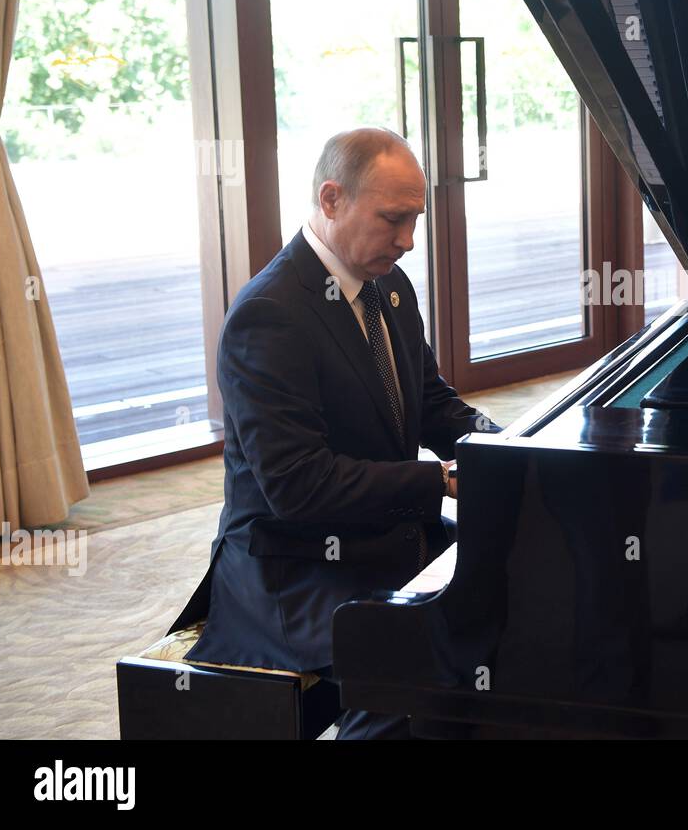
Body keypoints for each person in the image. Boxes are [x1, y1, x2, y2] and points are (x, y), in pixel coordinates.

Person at [169, 127, 499, 739]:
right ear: (330, 199)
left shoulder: (388, 287)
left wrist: (508, 448)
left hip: (379, 533)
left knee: (505, 581)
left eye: (415, 219)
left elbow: (430, 403)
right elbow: (297, 487)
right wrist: (441, 481)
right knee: (404, 655)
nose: (408, 240)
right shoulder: (270, 316)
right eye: (392, 219)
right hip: (293, 563)